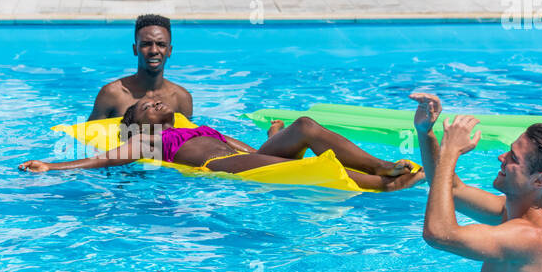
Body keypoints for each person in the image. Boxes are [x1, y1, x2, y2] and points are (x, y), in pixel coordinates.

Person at [22, 97, 422, 190]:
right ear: (135, 124)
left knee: (305, 124)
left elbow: (247, 147)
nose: (155, 102)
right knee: (302, 168)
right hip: (223, 167)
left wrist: (277, 136)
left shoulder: (201, 128)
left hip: (244, 155)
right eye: (145, 106)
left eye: (156, 100)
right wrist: (52, 167)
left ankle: (380, 165)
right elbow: (106, 160)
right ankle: (385, 184)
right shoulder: (145, 140)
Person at [411, 91, 542, 272]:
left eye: (514, 158)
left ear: (539, 180)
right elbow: (452, 190)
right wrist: (425, 132)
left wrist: (450, 152)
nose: (501, 157)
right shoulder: (519, 214)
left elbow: (438, 235)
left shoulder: (525, 237)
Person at [88, 14, 194, 120]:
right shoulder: (112, 94)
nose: (154, 51)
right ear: (135, 49)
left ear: (169, 51)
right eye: (146, 44)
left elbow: (190, 135)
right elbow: (88, 134)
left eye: (161, 44)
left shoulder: (181, 98)